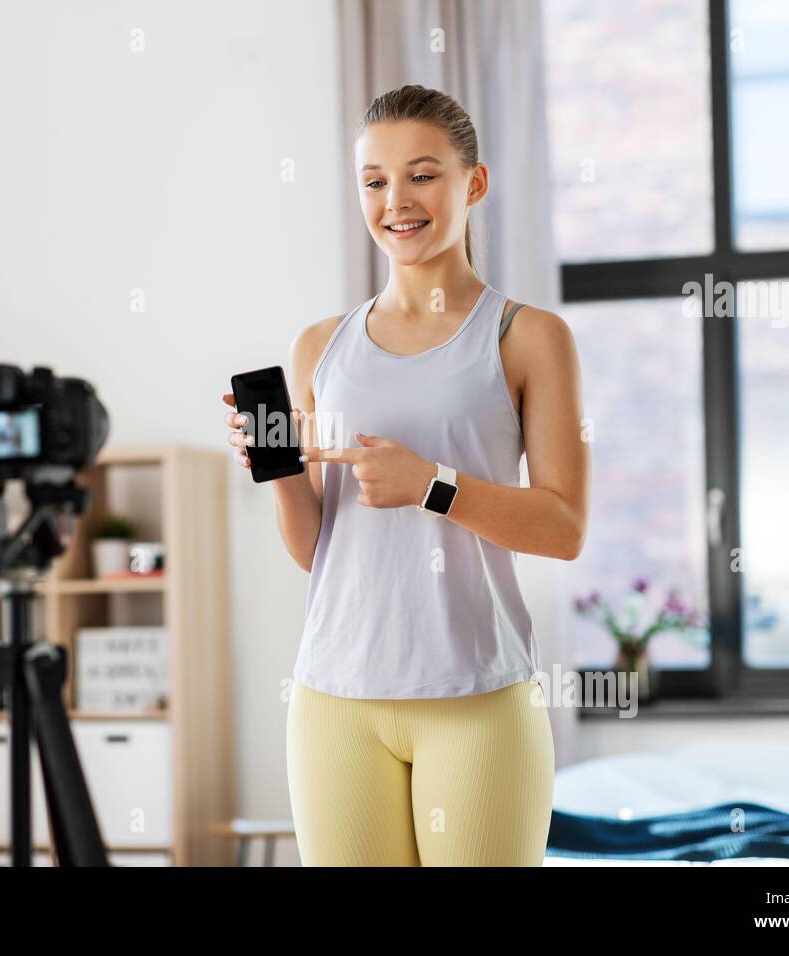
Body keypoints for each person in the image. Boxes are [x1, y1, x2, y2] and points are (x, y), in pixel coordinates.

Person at [221, 84, 590, 866]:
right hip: (333, 698)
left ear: (474, 184)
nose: (397, 201)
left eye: (422, 175)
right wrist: (276, 467)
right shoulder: (319, 345)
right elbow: (317, 550)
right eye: (375, 180)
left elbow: (563, 529)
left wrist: (434, 484)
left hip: (476, 696)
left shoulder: (528, 336)